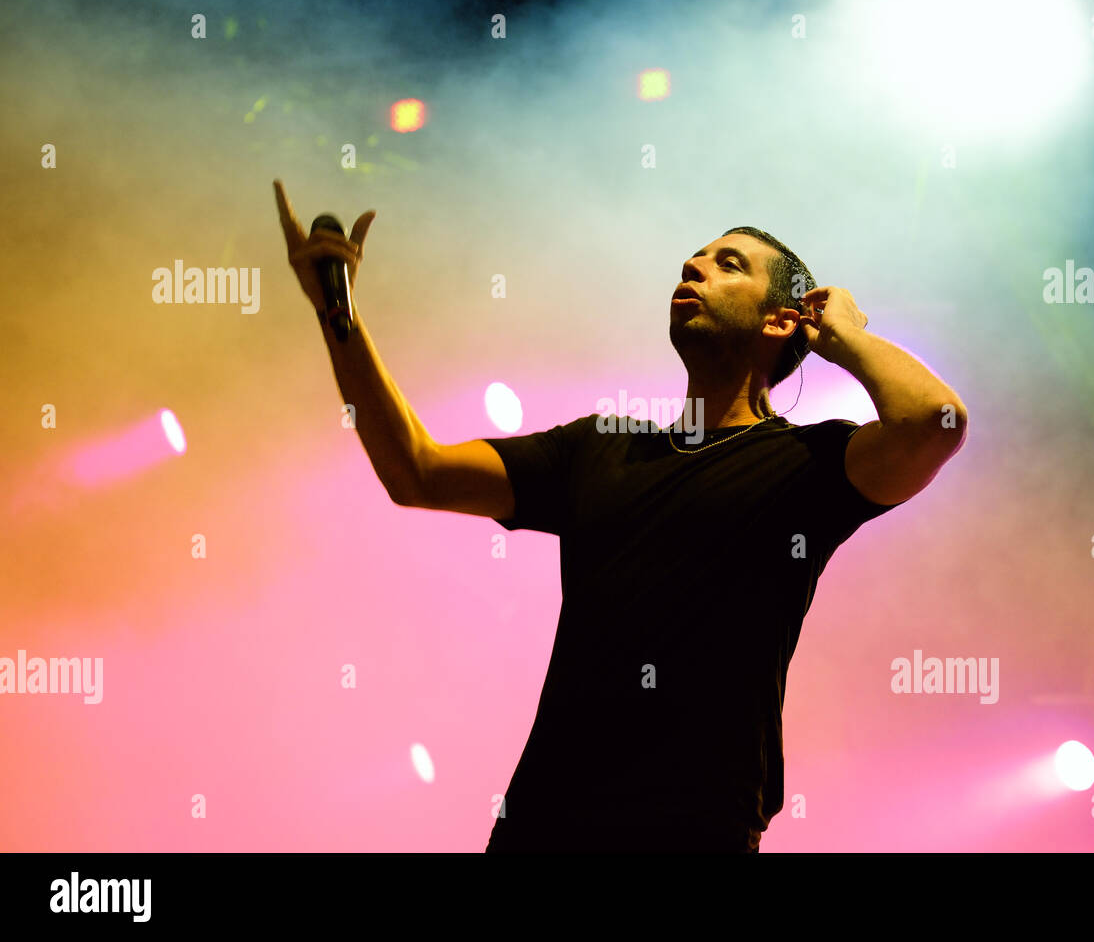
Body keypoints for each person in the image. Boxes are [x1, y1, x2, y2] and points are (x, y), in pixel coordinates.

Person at [274, 181, 968, 853]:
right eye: (693, 258)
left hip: (693, 835)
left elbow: (934, 424)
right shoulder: (596, 449)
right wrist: (337, 312)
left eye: (729, 264)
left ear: (781, 319)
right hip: (540, 828)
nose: (694, 266)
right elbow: (415, 471)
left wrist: (841, 337)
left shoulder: (807, 464)